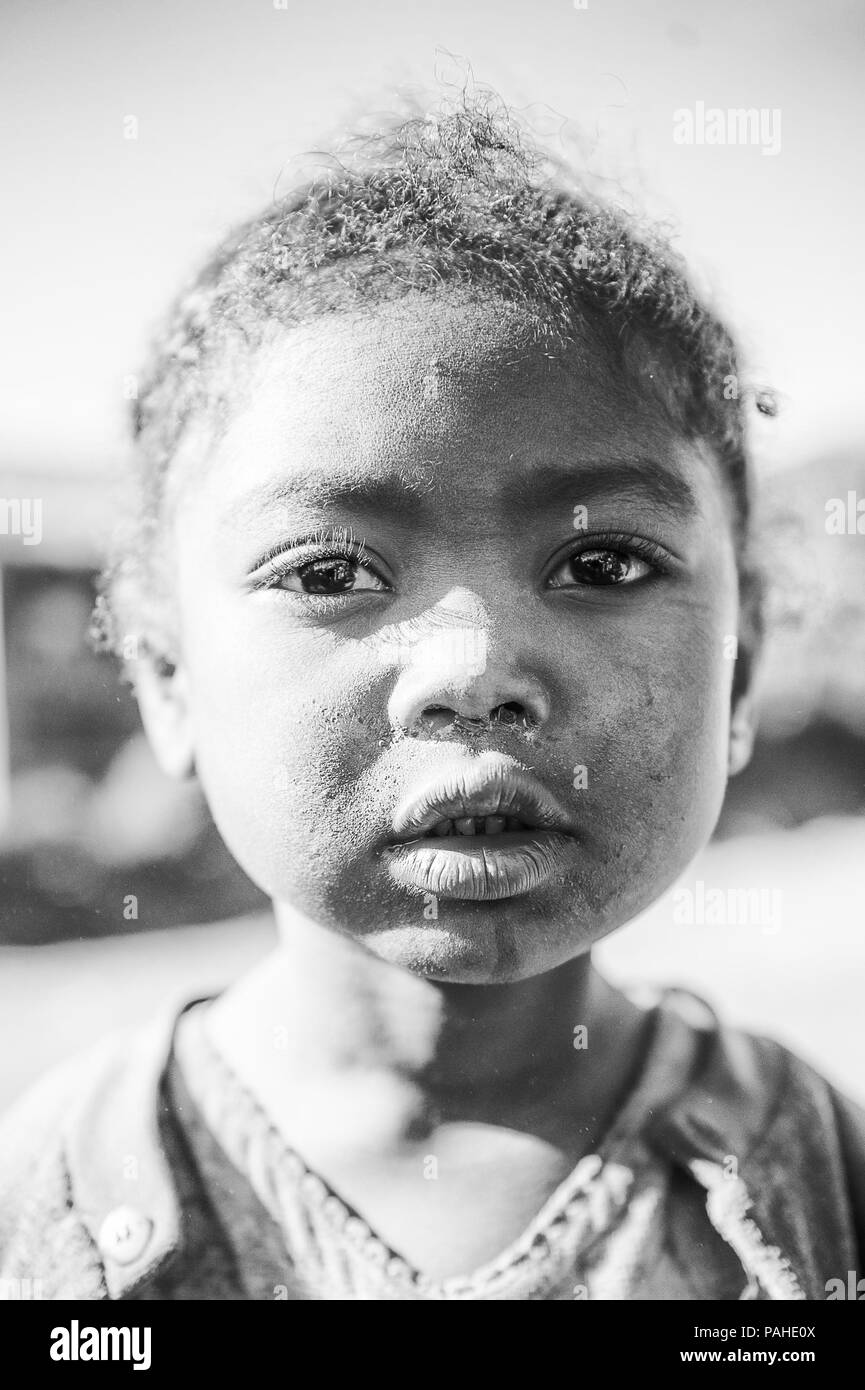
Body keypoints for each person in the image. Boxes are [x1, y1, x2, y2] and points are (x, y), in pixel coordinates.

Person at [2, 94, 863, 1301]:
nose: (471, 672)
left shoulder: (817, 1190)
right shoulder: (58, 1210)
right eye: (329, 573)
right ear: (166, 677)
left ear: (742, 668)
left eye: (602, 564)